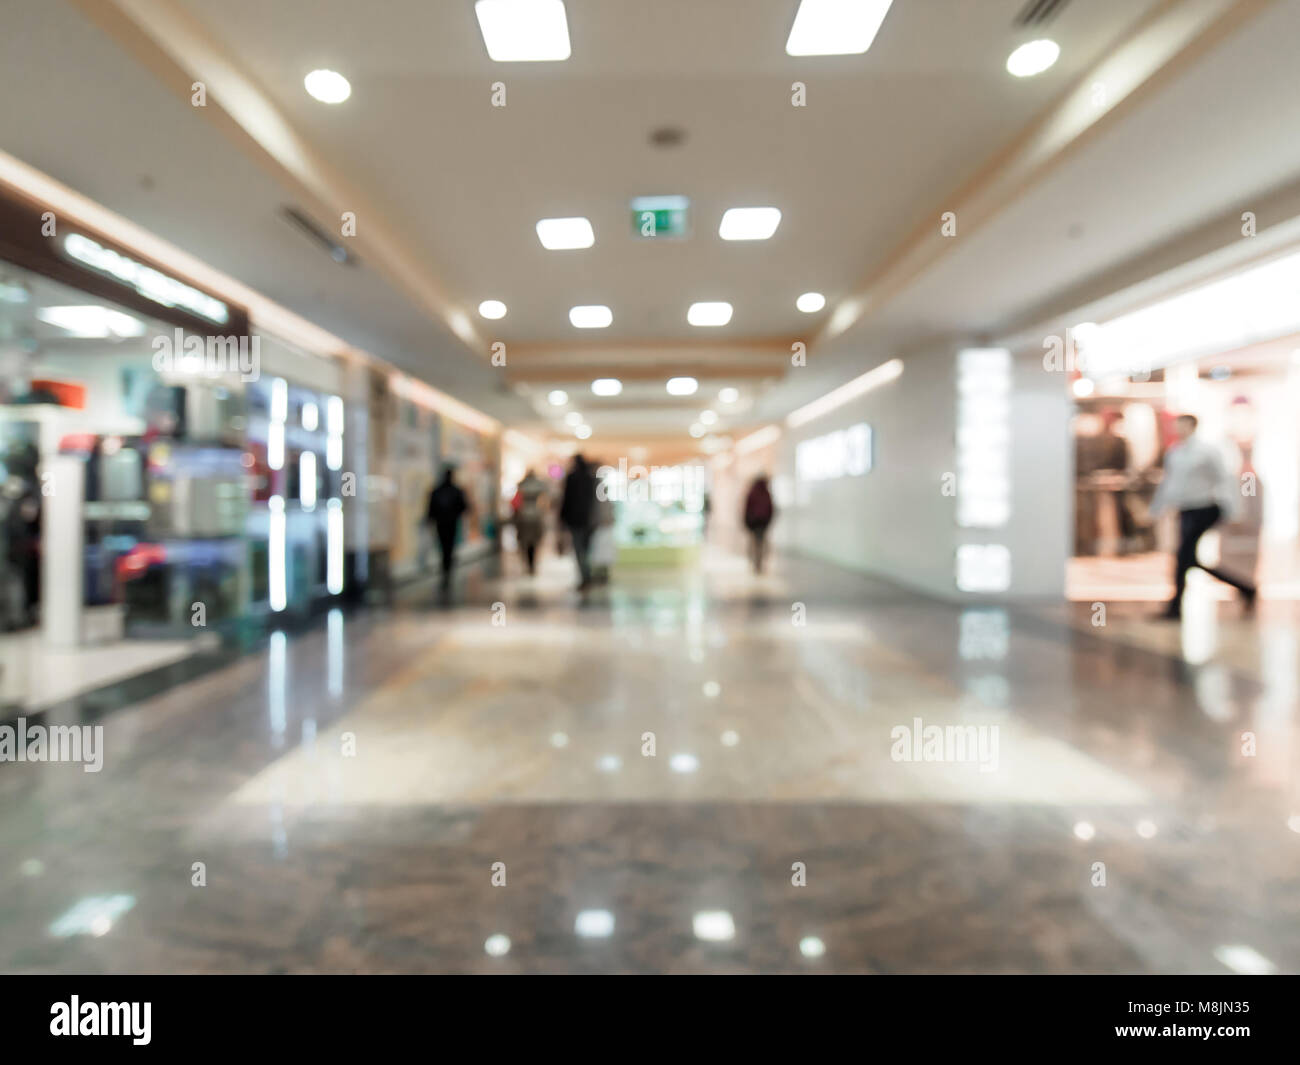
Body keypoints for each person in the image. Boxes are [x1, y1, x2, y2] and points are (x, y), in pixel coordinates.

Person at [1149, 414, 1255, 620]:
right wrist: (1156, 509)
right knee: (1188, 559)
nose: (1178, 429)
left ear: (1192, 426)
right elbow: (1169, 484)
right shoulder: (1175, 453)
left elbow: (1225, 479)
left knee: (1183, 558)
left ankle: (1175, 608)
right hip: (1186, 510)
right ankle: (1246, 588)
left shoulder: (1207, 451)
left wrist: (1234, 510)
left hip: (1205, 509)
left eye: (1182, 425)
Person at [426, 466, 469, 591]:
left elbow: (431, 509)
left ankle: (446, 570)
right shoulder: (455, 491)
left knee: (444, 547)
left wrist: (432, 518)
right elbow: (463, 507)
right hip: (451, 523)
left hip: (441, 523)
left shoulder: (437, 491)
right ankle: (447, 570)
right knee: (448, 547)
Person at [559, 454, 598, 591]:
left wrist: (562, 518)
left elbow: (566, 499)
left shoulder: (572, 478)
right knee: (586, 549)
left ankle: (585, 577)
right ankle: (586, 575)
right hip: (588, 521)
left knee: (579, 549)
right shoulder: (590, 478)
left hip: (576, 520)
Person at [512, 468, 548, 576]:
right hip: (534, 515)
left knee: (527, 541)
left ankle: (529, 562)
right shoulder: (538, 485)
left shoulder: (522, 485)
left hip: (525, 515)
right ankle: (531, 563)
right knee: (532, 541)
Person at [743, 475, 775, 575]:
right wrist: (768, 521)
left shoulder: (752, 493)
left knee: (753, 542)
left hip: (754, 522)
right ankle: (759, 562)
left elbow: (747, 509)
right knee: (760, 543)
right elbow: (771, 509)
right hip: (763, 522)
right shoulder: (767, 493)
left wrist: (747, 521)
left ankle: (754, 561)